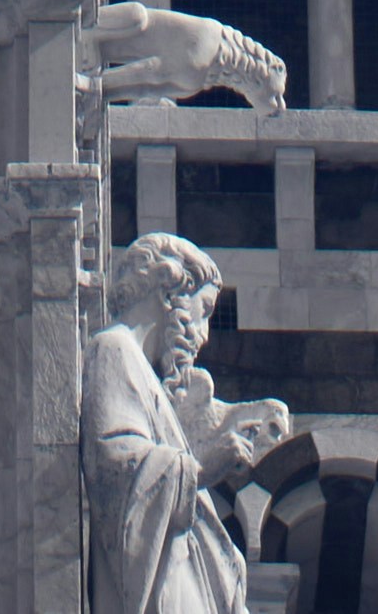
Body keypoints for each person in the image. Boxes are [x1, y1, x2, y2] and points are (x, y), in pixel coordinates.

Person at [81, 230, 297, 614]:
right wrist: (200, 468)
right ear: (169, 294)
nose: (205, 334)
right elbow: (115, 467)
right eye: (205, 310)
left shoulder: (146, 376)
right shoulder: (113, 348)